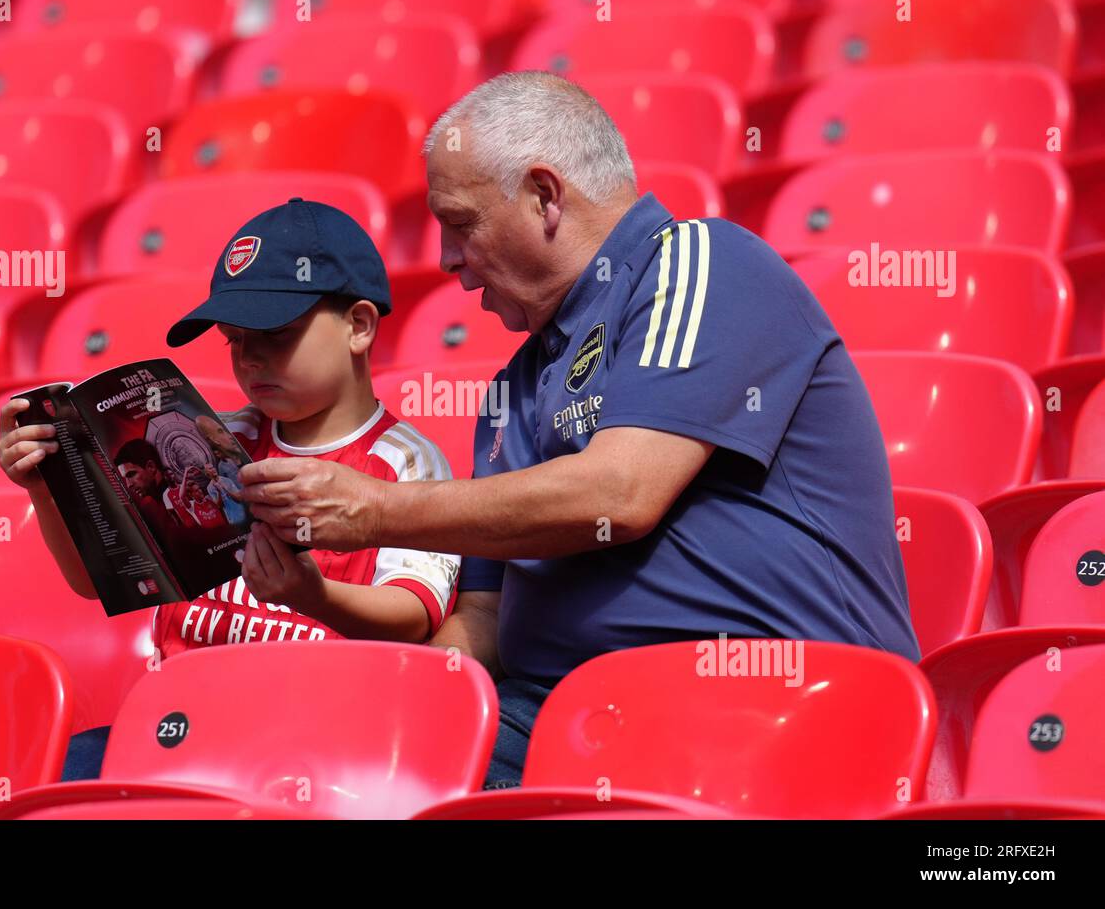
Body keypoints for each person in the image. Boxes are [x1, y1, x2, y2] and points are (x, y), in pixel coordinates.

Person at [236, 73, 921, 787]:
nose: (445, 258)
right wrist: (347, 659)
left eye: (461, 222)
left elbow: (622, 493)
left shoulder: (699, 262)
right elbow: (483, 630)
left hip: (766, 703)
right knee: (317, 766)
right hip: (564, 718)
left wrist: (373, 511)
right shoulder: (510, 391)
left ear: (544, 196)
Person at [0, 199, 461, 780]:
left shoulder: (406, 461)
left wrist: (312, 597)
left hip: (313, 741)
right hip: (177, 720)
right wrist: (49, 486)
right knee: (45, 784)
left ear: (359, 326)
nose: (250, 357)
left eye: (277, 334)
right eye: (234, 339)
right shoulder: (212, 437)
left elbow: (415, 615)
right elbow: (95, 583)